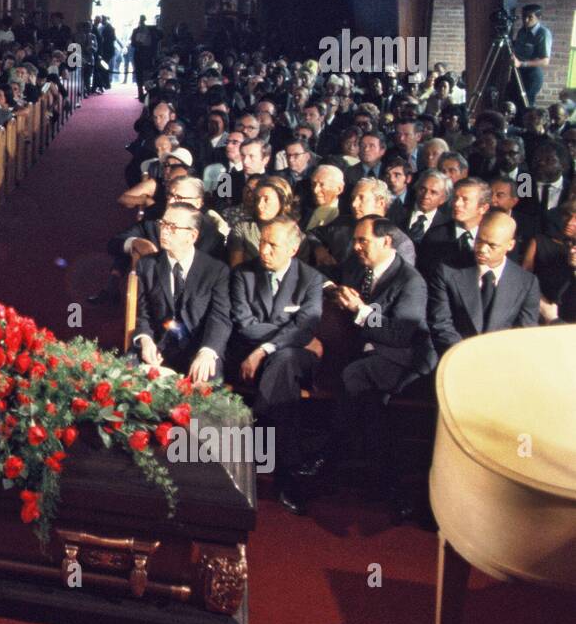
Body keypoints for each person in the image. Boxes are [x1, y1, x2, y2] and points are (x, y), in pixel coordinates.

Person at [323, 217, 436, 521]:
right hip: (368, 354)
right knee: (371, 404)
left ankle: (330, 460)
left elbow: (400, 334)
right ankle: (387, 484)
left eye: (364, 241)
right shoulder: (359, 267)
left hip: (403, 358)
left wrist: (359, 311)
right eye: (355, 240)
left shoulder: (411, 281)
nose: (356, 246)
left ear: (387, 242)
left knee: (354, 377)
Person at [227, 217, 324, 514]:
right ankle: (288, 474)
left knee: (284, 359)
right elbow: (244, 325)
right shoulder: (243, 274)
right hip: (259, 357)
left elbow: (306, 326)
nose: (264, 250)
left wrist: (267, 346)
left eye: (273, 245)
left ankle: (255, 428)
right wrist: (286, 336)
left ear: (293, 249)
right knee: (283, 370)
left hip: (295, 360)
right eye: (262, 243)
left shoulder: (311, 279)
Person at [131, 202, 231, 383]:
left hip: (198, 349)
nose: (164, 231)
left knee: (206, 379)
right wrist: (146, 340)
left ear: (192, 236)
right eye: (163, 224)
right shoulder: (147, 265)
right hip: (157, 347)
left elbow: (220, 318)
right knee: (125, 374)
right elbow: (142, 314)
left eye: (173, 227)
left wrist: (207, 351)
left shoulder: (216, 271)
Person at [427, 210, 540, 354]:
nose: (481, 249)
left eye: (492, 245)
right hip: (455, 356)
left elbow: (524, 334)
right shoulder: (447, 270)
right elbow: (440, 323)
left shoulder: (527, 283)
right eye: (479, 240)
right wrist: (466, 356)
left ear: (510, 245)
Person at [511, 3, 551, 108]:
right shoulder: (522, 31)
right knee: (513, 103)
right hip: (518, 72)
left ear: (539, 18)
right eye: (524, 16)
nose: (526, 20)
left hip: (532, 75)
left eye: (530, 17)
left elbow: (545, 61)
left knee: (525, 105)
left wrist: (521, 63)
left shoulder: (543, 33)